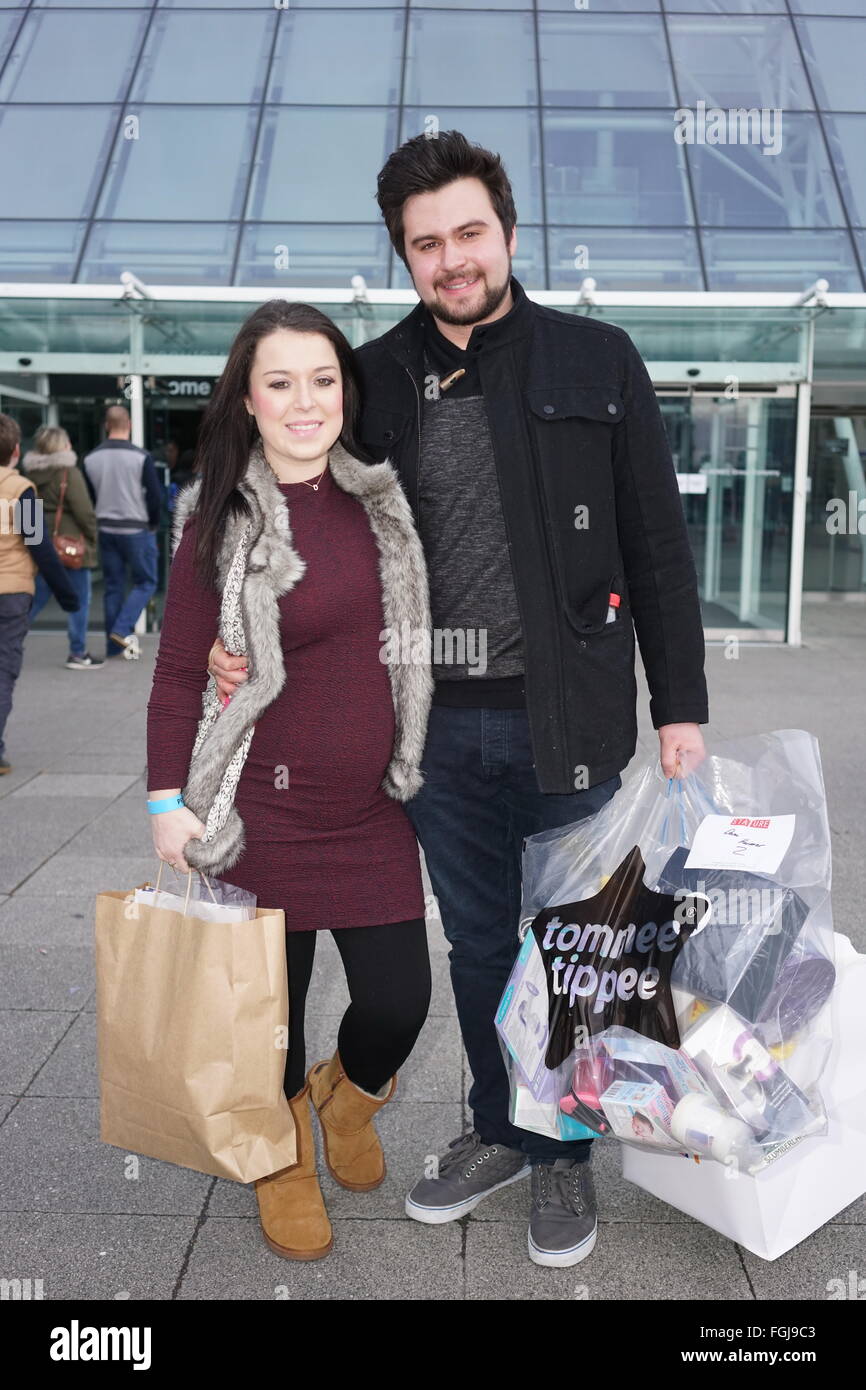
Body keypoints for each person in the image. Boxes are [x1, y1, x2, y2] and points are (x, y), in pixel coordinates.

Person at [208, 131, 709, 1268]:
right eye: (425, 244)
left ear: (508, 232)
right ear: (404, 256)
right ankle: (502, 1126)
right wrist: (234, 645)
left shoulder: (595, 358)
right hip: (428, 723)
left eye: (467, 233)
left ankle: (563, 1156)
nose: (451, 259)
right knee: (482, 945)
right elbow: (291, 522)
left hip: (566, 713)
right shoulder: (370, 377)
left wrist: (679, 702)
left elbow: (657, 543)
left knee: (573, 944)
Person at [145, 299, 434, 1262]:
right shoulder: (217, 518)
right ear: (249, 398)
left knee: (398, 1003)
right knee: (266, 1018)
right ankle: (282, 1159)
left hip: (368, 812)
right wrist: (163, 804)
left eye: (323, 379)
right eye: (281, 382)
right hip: (260, 814)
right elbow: (181, 670)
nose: (305, 401)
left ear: (345, 391)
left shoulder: (383, 501)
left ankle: (344, 1099)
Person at [0, 414, 80, 773]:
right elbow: (39, 545)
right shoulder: (21, 490)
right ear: (16, 451)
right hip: (10, 593)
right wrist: (66, 595)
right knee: (3, 671)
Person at [82, 405, 161, 662]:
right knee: (146, 582)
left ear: (107, 425)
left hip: (106, 528)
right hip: (136, 529)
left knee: (113, 586)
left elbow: (90, 496)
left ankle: (113, 646)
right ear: (128, 424)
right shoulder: (141, 457)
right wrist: (153, 523)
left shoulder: (90, 459)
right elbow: (155, 497)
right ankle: (121, 628)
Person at [24, 425, 102, 669]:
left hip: (40, 547)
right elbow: (85, 512)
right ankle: (78, 652)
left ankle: (8, 640)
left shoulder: (27, 477)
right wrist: (91, 539)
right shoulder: (69, 473)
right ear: (63, 446)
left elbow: (26, 517)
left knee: (34, 600)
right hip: (70, 549)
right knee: (78, 600)